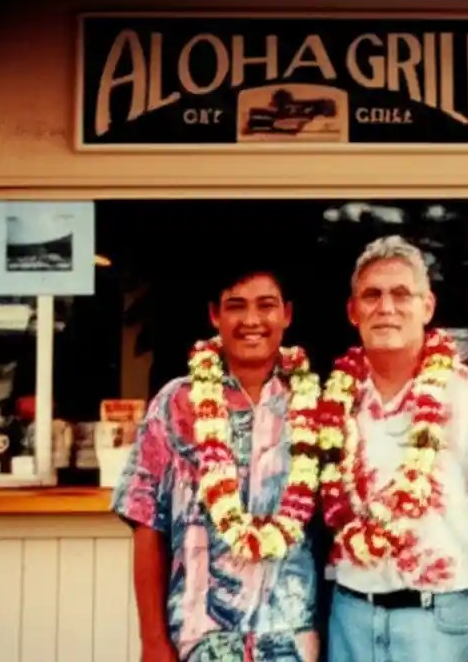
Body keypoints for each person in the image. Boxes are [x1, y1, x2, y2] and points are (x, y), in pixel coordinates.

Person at [317, 235, 468, 662]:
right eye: (372, 295)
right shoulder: (332, 403)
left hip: (443, 622)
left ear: (428, 307)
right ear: (353, 311)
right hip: (349, 619)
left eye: (401, 294)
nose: (386, 307)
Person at [111, 261, 327, 662]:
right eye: (235, 305)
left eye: (266, 305)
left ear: (287, 314)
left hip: (294, 638)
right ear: (215, 315)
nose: (251, 320)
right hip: (198, 638)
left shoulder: (318, 406)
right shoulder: (174, 405)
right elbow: (146, 525)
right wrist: (154, 642)